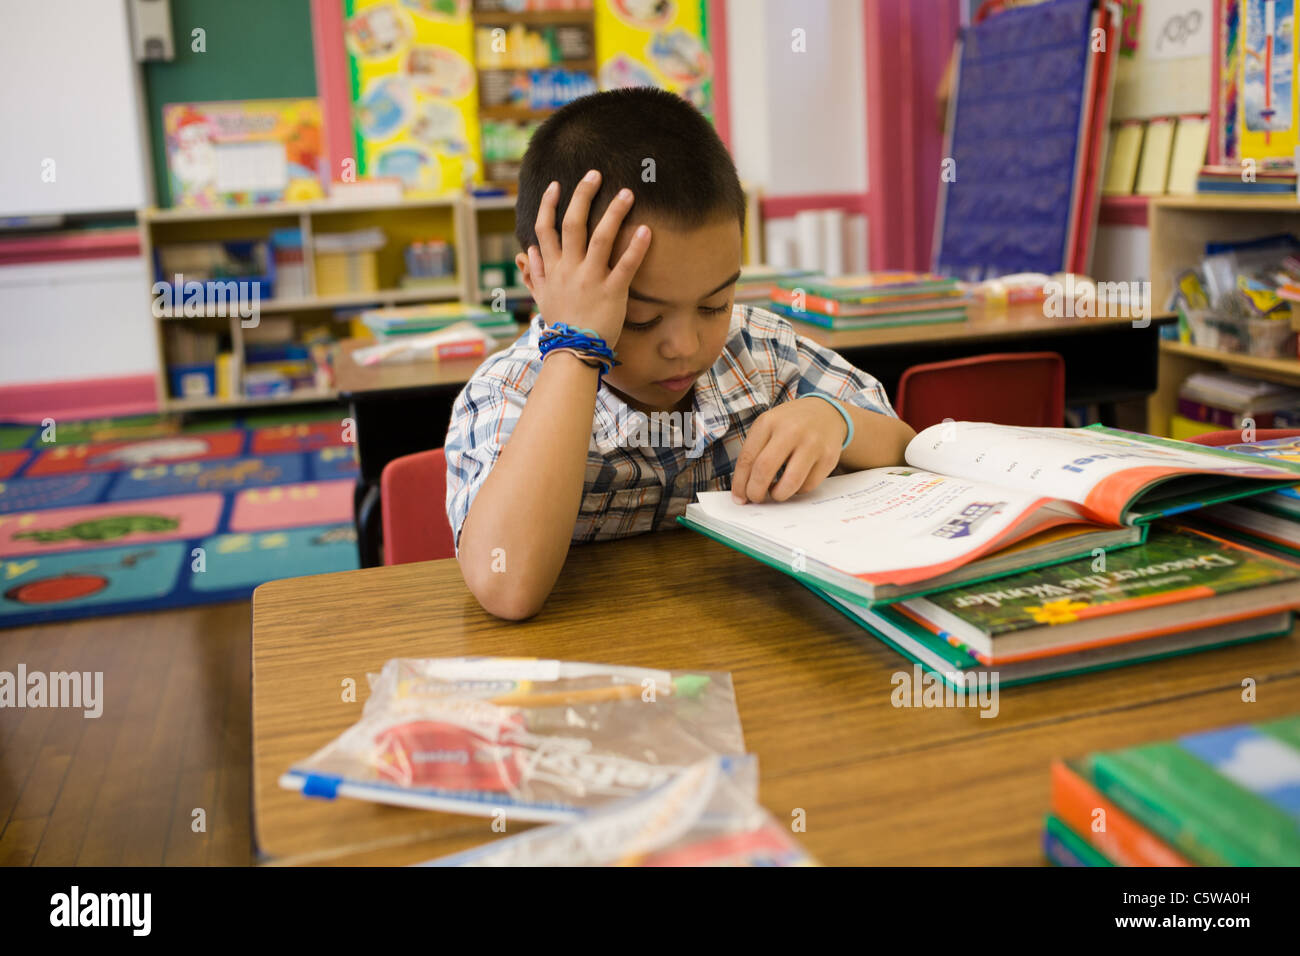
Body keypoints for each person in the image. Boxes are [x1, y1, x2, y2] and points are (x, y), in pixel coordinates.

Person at [446, 88, 914, 620]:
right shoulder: (506, 392)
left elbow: (909, 449)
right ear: (539, 283)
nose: (686, 346)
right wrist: (577, 345)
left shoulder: (762, 354)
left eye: (714, 304)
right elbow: (507, 587)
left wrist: (836, 421)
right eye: (640, 317)